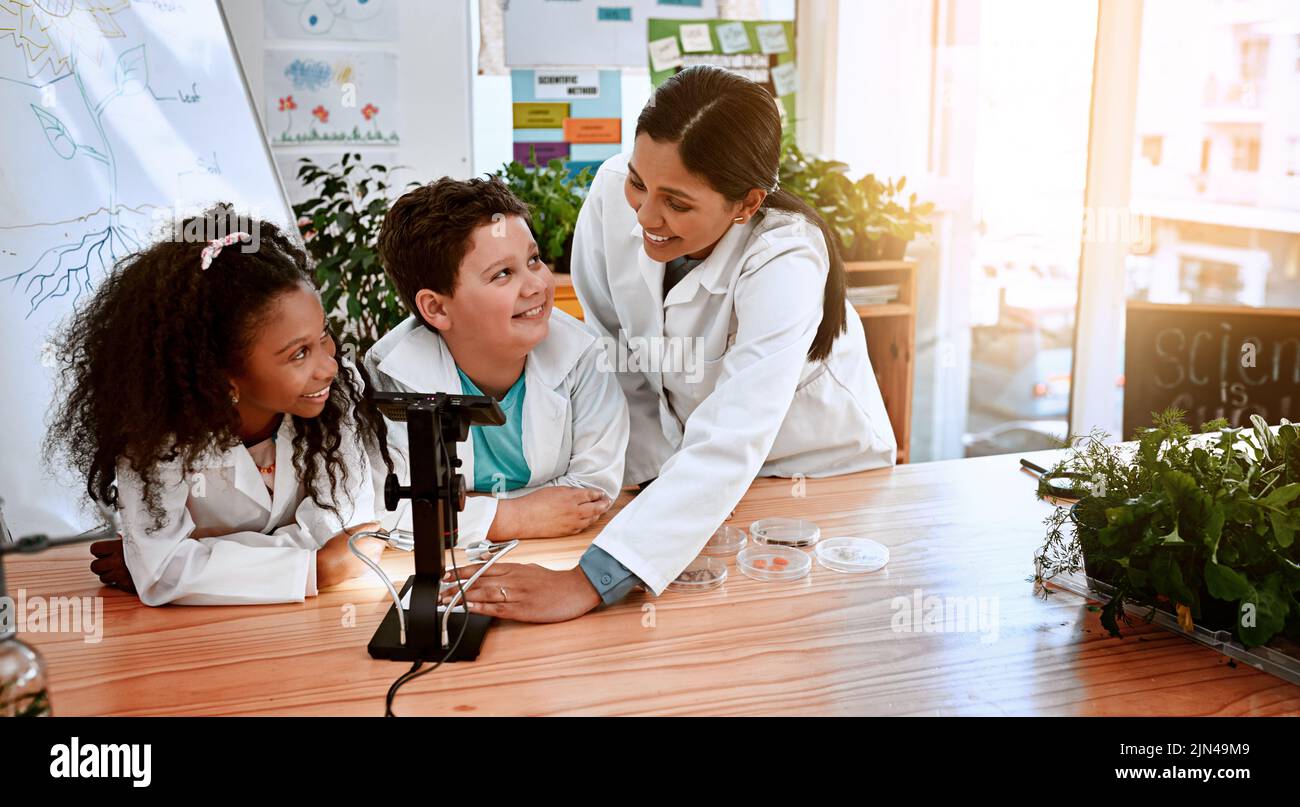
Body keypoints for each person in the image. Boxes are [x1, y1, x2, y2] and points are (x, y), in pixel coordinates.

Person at [440, 66, 895, 622]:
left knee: (774, 628)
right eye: (640, 182)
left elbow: (734, 434)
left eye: (677, 203)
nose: (647, 216)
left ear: (746, 204)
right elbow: (619, 357)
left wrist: (591, 580)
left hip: (814, 472)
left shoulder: (786, 260)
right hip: (700, 471)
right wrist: (652, 487)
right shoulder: (613, 193)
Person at [47, 206, 392, 605]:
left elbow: (350, 528)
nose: (329, 365)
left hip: (315, 623)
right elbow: (162, 572)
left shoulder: (336, 393)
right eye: (299, 353)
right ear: (222, 374)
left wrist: (198, 560)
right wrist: (315, 568)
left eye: (324, 336)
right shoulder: (156, 428)